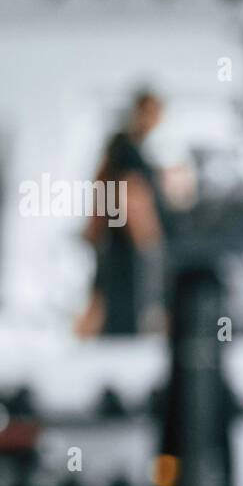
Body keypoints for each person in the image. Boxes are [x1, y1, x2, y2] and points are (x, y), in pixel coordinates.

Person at [76, 89, 168, 338]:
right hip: (124, 243)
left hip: (123, 242)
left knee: (116, 301)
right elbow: (124, 194)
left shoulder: (133, 148)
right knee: (116, 305)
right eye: (148, 112)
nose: (153, 119)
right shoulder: (124, 147)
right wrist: (147, 242)